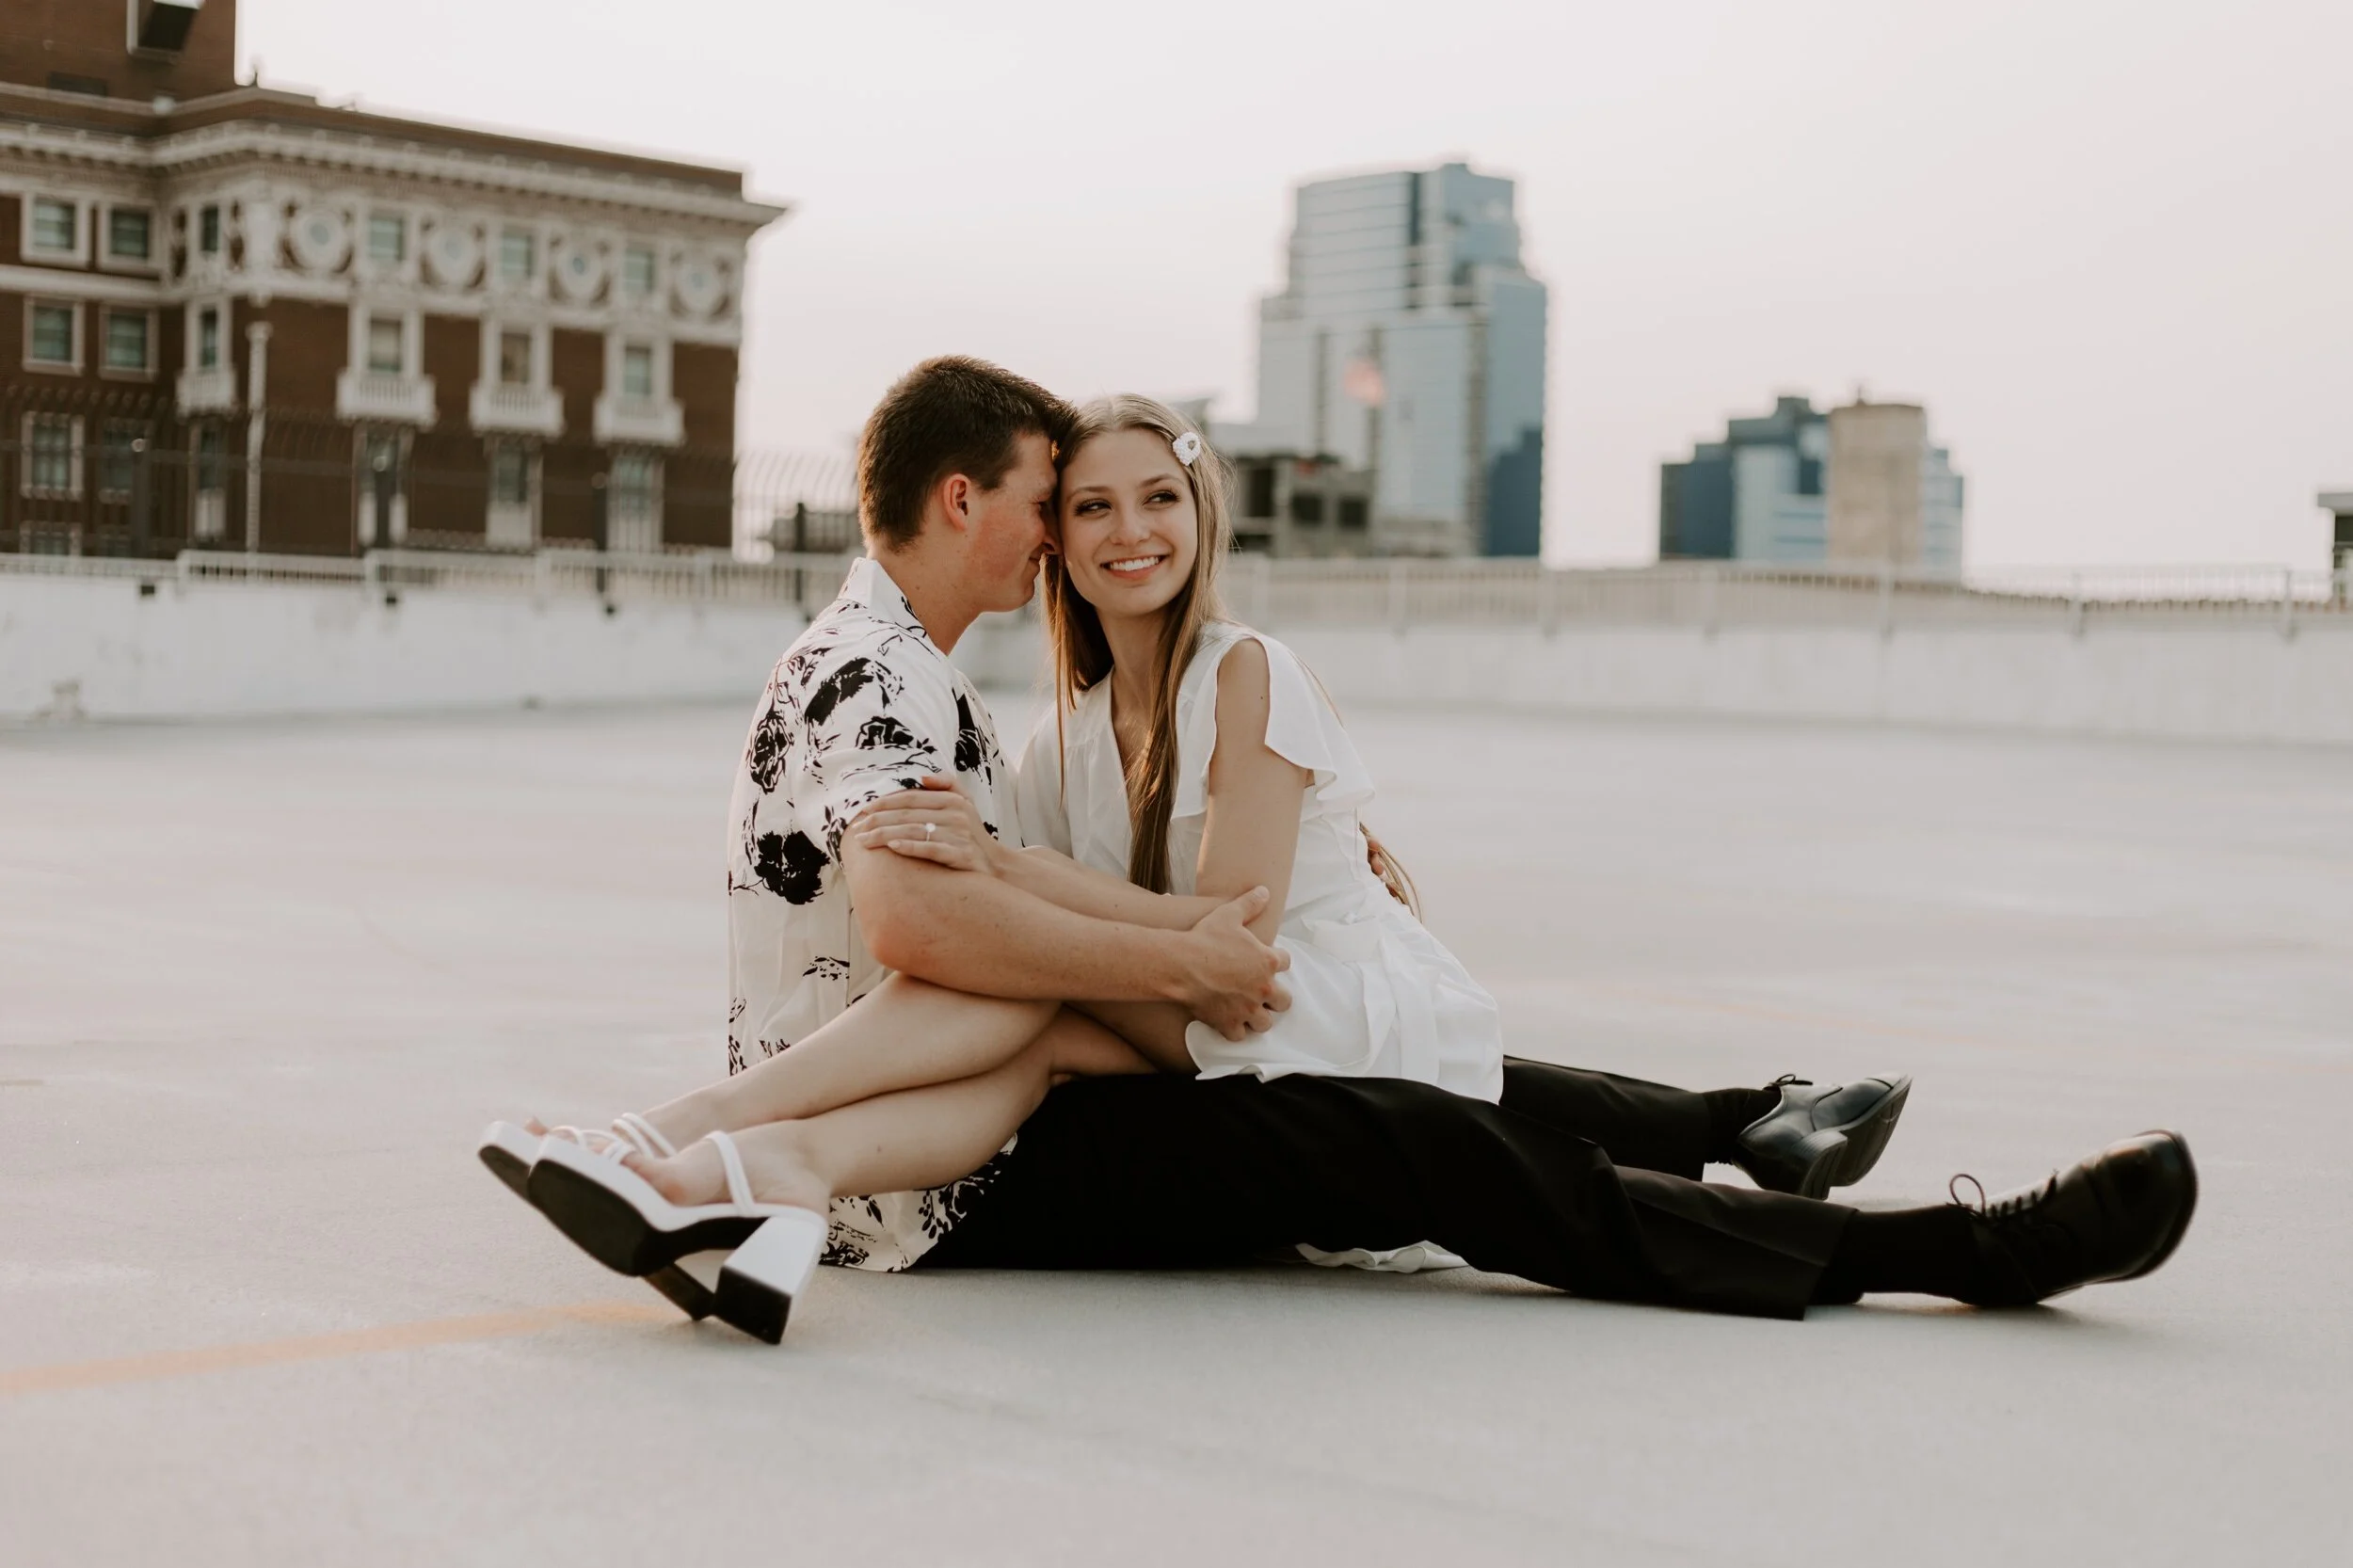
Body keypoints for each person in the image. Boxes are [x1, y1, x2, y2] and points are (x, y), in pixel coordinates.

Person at [482, 357, 2197, 1344]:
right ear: (978, 506)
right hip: (964, 1157)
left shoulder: (966, 691)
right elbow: (947, 933)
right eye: (1066, 503)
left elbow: (1069, 925)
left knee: (1401, 1108)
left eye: (1140, 500)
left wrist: (1168, 903)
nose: (1086, 534)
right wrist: (1167, 947)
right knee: (1408, 1136)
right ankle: (1926, 1250)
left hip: (996, 1109)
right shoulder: (889, 675)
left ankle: (1756, 1133)